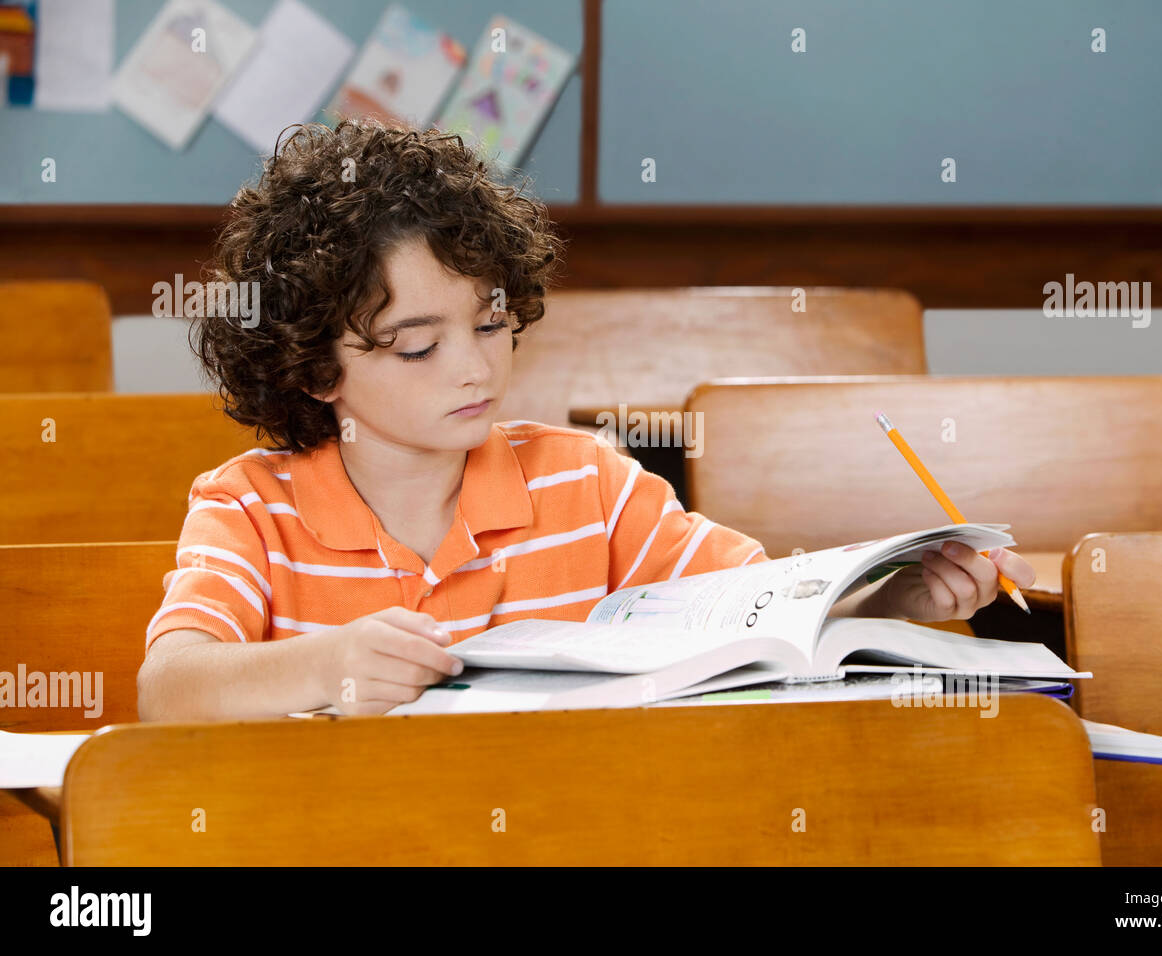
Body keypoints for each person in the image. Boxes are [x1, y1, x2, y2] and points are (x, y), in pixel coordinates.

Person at [137, 121, 1033, 721]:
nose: (476, 364)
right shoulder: (249, 508)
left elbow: (763, 616)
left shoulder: (587, 482)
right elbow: (168, 686)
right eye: (417, 346)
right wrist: (321, 667)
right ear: (313, 364)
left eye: (491, 324)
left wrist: (895, 596)